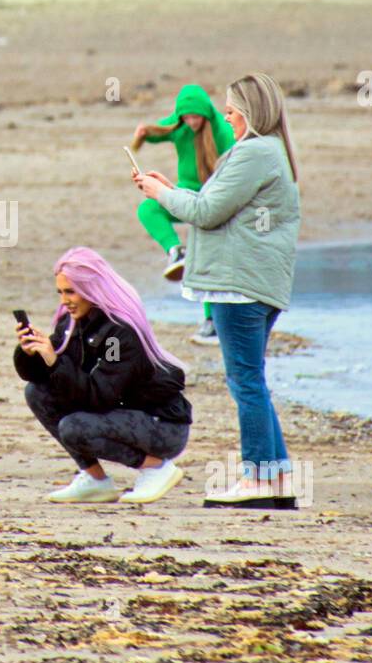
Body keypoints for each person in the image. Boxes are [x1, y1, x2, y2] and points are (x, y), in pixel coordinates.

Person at [134, 73, 301, 508]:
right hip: (258, 284)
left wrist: (158, 195)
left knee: (245, 382)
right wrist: (170, 191)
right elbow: (217, 205)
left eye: (230, 110)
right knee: (252, 380)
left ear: (249, 112)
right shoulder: (271, 151)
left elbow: (206, 212)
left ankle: (258, 479)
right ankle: (276, 477)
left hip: (240, 287)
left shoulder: (254, 153)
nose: (224, 117)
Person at [15, 247, 192, 505]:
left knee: (74, 427)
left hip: (162, 425)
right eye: (61, 292)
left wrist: (55, 361)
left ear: (91, 290)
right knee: (37, 392)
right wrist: (30, 352)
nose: (65, 300)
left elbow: (100, 395)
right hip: (123, 413)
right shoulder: (72, 322)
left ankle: (156, 468)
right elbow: (55, 378)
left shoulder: (118, 334)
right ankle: (94, 480)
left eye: (71, 291)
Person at [131, 83, 236, 344]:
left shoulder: (223, 131)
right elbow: (160, 132)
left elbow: (237, 168)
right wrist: (144, 133)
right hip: (186, 193)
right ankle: (176, 251)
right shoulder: (180, 126)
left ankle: (211, 320)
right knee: (148, 207)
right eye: (186, 117)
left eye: (195, 116)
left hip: (214, 199)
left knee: (209, 258)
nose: (191, 122)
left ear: (206, 113)